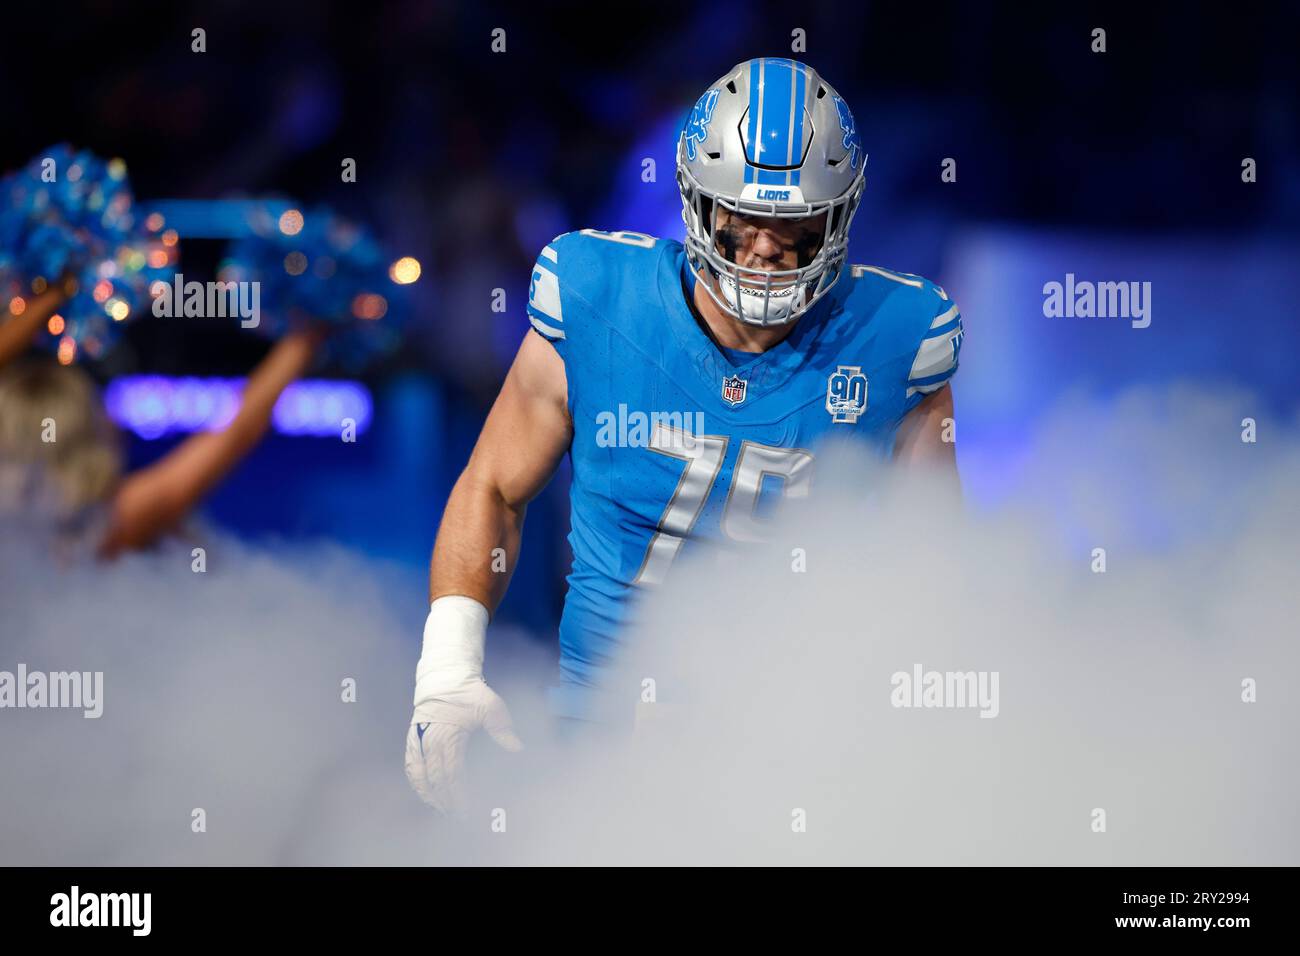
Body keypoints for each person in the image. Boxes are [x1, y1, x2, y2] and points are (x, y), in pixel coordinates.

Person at [405, 58, 965, 812]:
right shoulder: (597, 293)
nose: (766, 247)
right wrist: (449, 669)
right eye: (742, 218)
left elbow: (932, 562)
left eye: (795, 223)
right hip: (603, 738)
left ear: (840, 214)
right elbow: (495, 485)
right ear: (697, 203)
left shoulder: (898, 336)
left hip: (800, 753)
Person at [0, 283, 324, 559]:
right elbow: (237, 432)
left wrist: (52, 294)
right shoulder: (110, 525)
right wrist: (309, 333)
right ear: (89, 432)